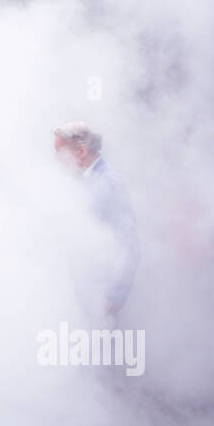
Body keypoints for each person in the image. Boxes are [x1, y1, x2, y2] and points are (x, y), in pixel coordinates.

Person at [53, 122, 138, 322]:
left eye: (59, 152)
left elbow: (129, 244)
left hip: (99, 300)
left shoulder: (108, 184)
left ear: (81, 151)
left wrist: (114, 296)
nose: (55, 159)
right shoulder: (86, 180)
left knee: (100, 351)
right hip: (85, 297)